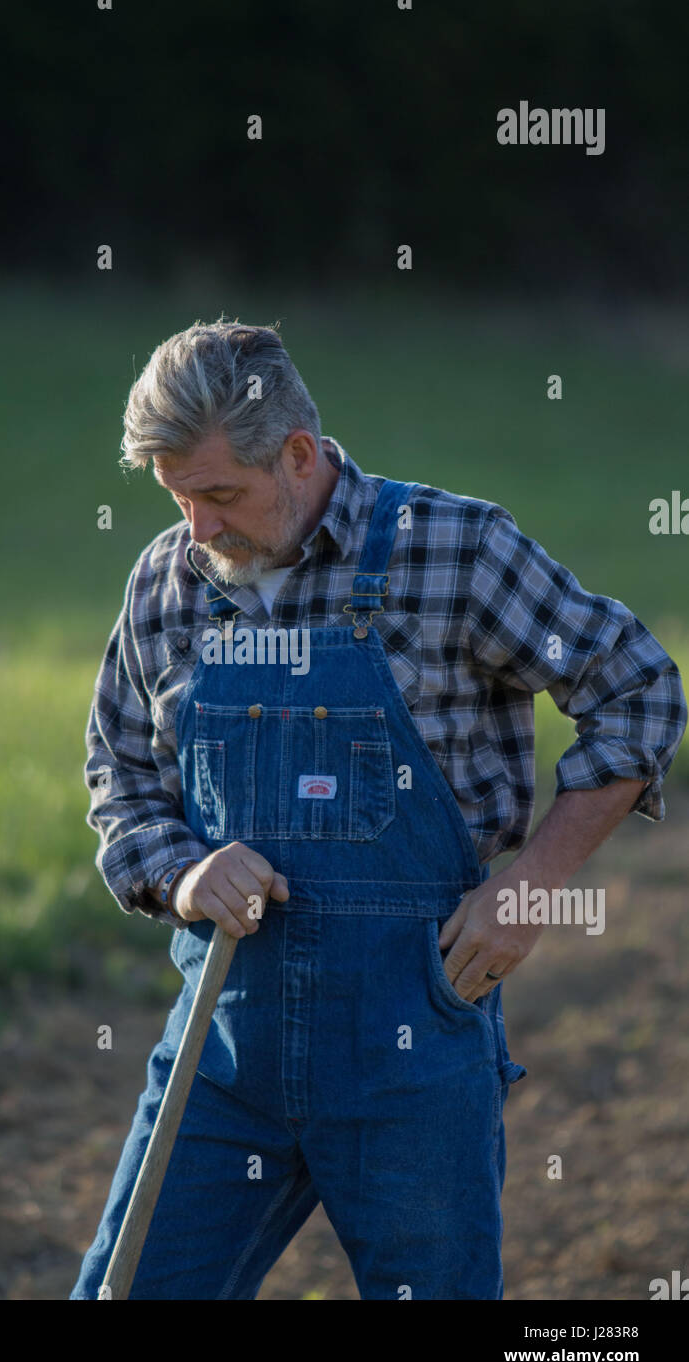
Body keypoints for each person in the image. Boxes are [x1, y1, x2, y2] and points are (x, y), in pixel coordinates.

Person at [69, 318, 686, 1300]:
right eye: (178, 499)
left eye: (219, 494)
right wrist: (184, 872)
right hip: (221, 1055)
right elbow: (119, 774)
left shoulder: (452, 549)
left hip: (412, 1051)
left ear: (300, 455)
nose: (198, 530)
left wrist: (527, 891)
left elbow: (636, 687)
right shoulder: (166, 581)